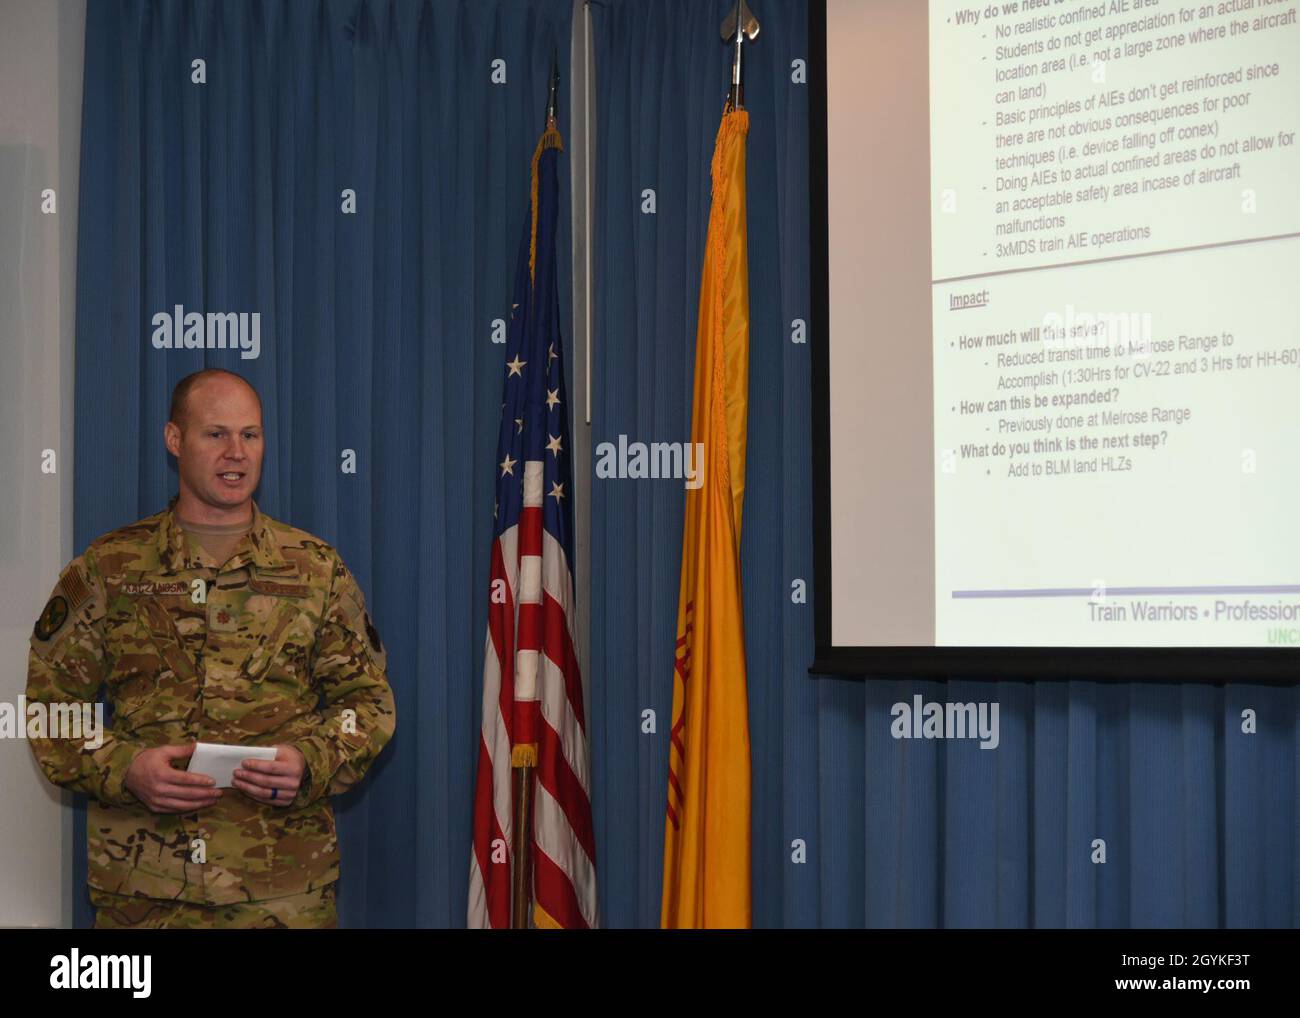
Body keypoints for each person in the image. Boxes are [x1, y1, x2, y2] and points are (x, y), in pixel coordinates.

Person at [25, 368, 396, 928]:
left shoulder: (315, 569)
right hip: (145, 892)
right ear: (175, 440)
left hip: (281, 892)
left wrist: (310, 760)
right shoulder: (110, 567)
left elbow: (367, 706)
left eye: (250, 435)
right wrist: (125, 767)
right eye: (215, 434)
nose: (236, 453)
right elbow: (52, 707)